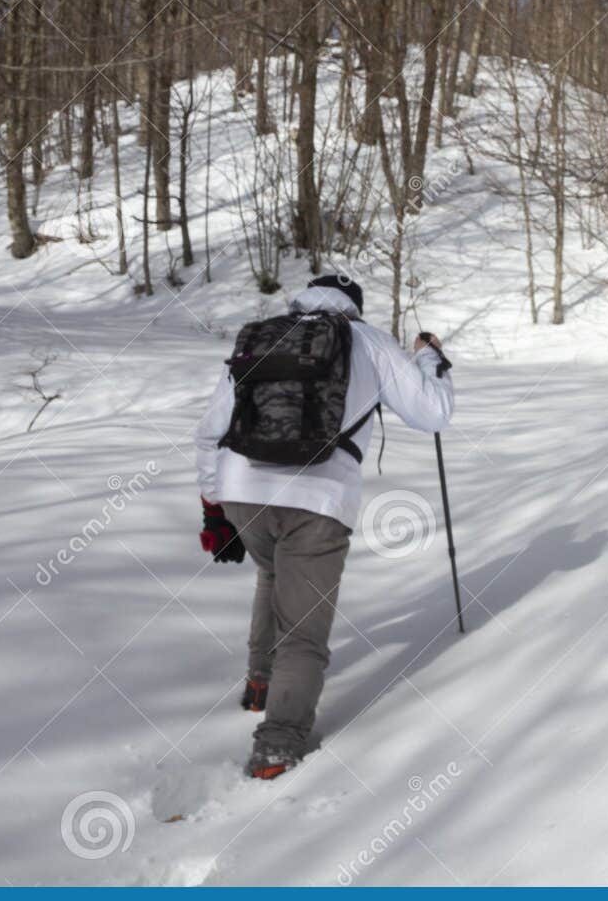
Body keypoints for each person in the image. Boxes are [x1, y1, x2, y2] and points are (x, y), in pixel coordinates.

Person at [193, 274, 454, 779]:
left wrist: (213, 508)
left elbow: (209, 431)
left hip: (242, 492)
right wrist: (430, 358)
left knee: (271, 572)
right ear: (354, 307)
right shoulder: (367, 340)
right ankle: (277, 746)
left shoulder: (264, 335)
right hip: (317, 497)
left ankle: (260, 684)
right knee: (304, 631)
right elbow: (434, 412)